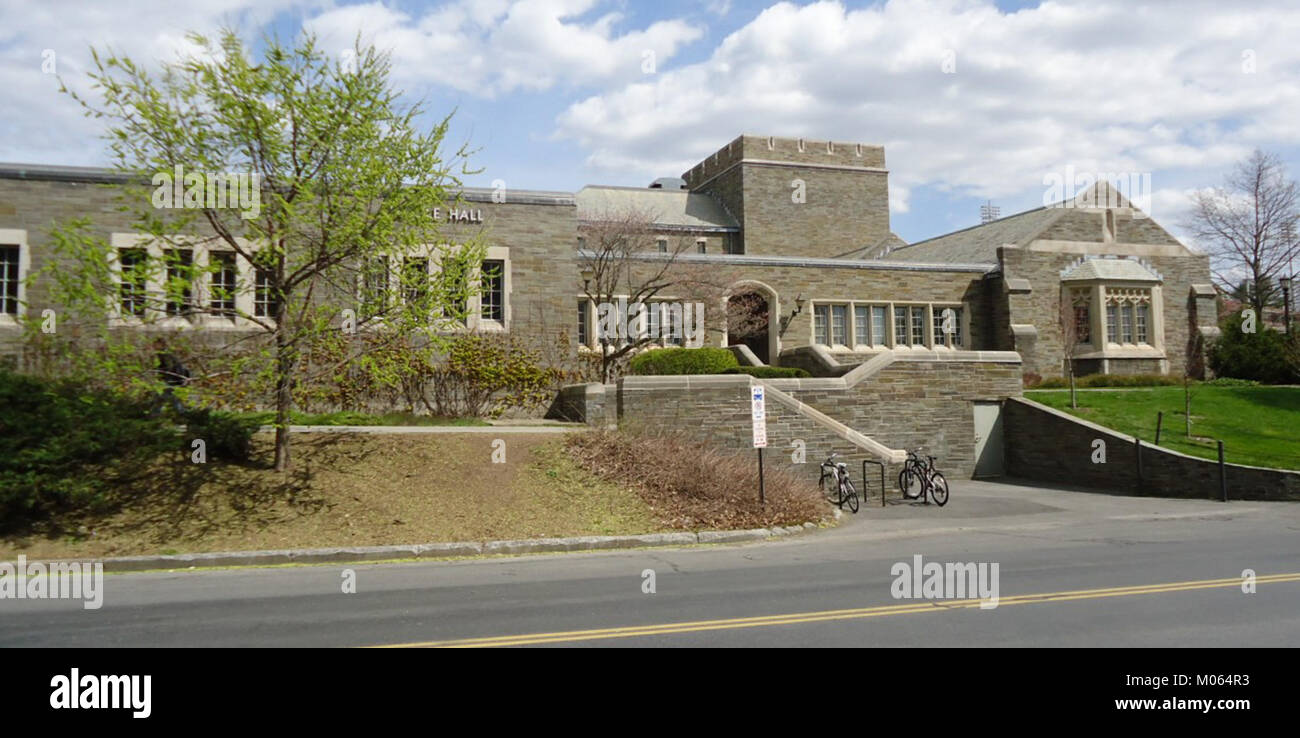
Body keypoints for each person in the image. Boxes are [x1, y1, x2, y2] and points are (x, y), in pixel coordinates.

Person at [149, 338, 190, 417]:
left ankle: (183, 414)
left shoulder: (166, 354)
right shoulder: (161, 354)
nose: (153, 346)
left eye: (156, 344)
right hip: (169, 380)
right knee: (160, 398)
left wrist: (161, 376)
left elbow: (169, 368)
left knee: (167, 398)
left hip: (171, 380)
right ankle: (154, 415)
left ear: (161, 344)